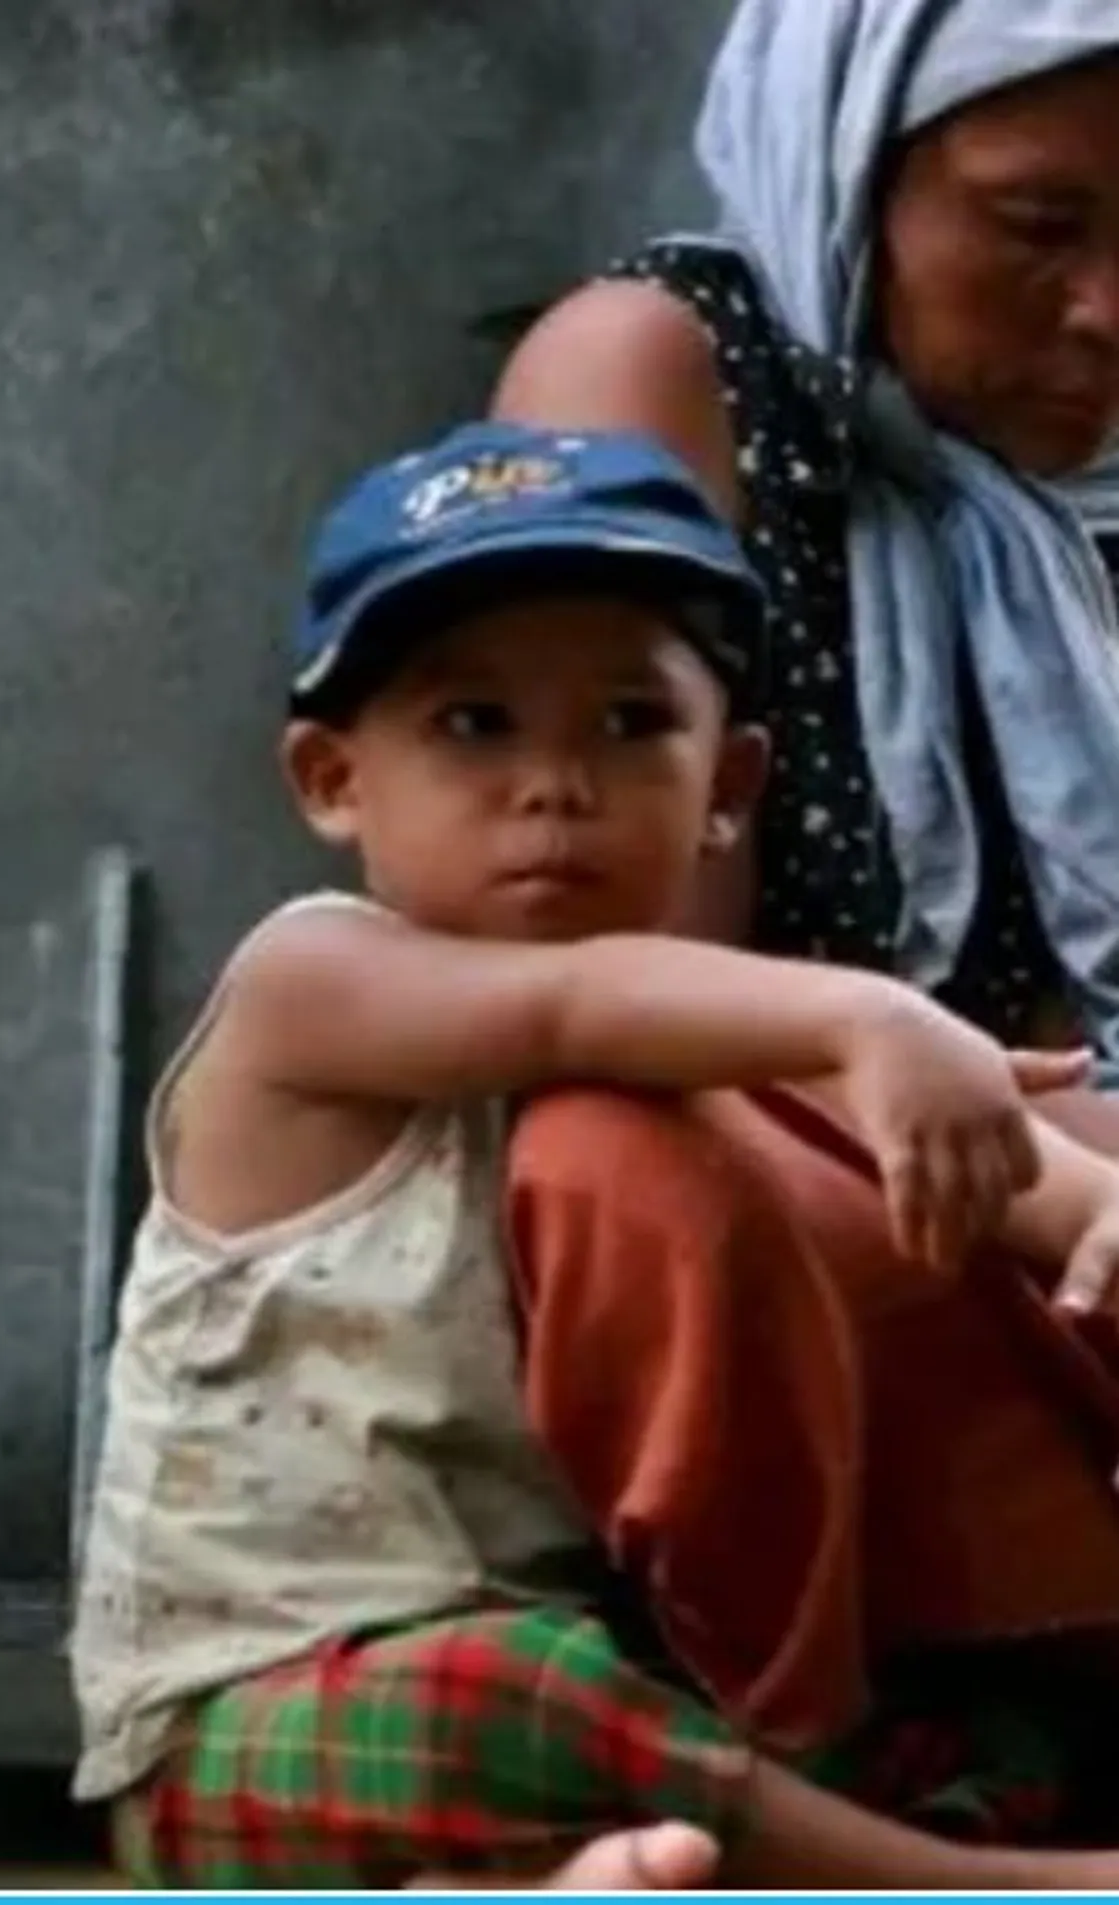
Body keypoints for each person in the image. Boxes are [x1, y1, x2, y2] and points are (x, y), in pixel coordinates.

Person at [74, 418, 1119, 1889]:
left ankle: (611, 1869)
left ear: (729, 784)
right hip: (267, 1713)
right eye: (471, 724)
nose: (553, 784)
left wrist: (1091, 1204)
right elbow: (578, 1000)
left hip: (606, 1679)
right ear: (329, 778)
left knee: (978, 1709)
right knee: (512, 1697)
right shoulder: (308, 987)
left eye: (629, 724)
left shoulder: (697, 1039)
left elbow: (985, 1170)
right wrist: (865, 1013)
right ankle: (968, 1881)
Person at [494, 0, 1119, 1155]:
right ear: (852, 162)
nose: (1107, 313)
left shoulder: (1070, 526)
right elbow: (621, 1018)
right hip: (756, 1203)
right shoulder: (665, 378)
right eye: (1037, 226)